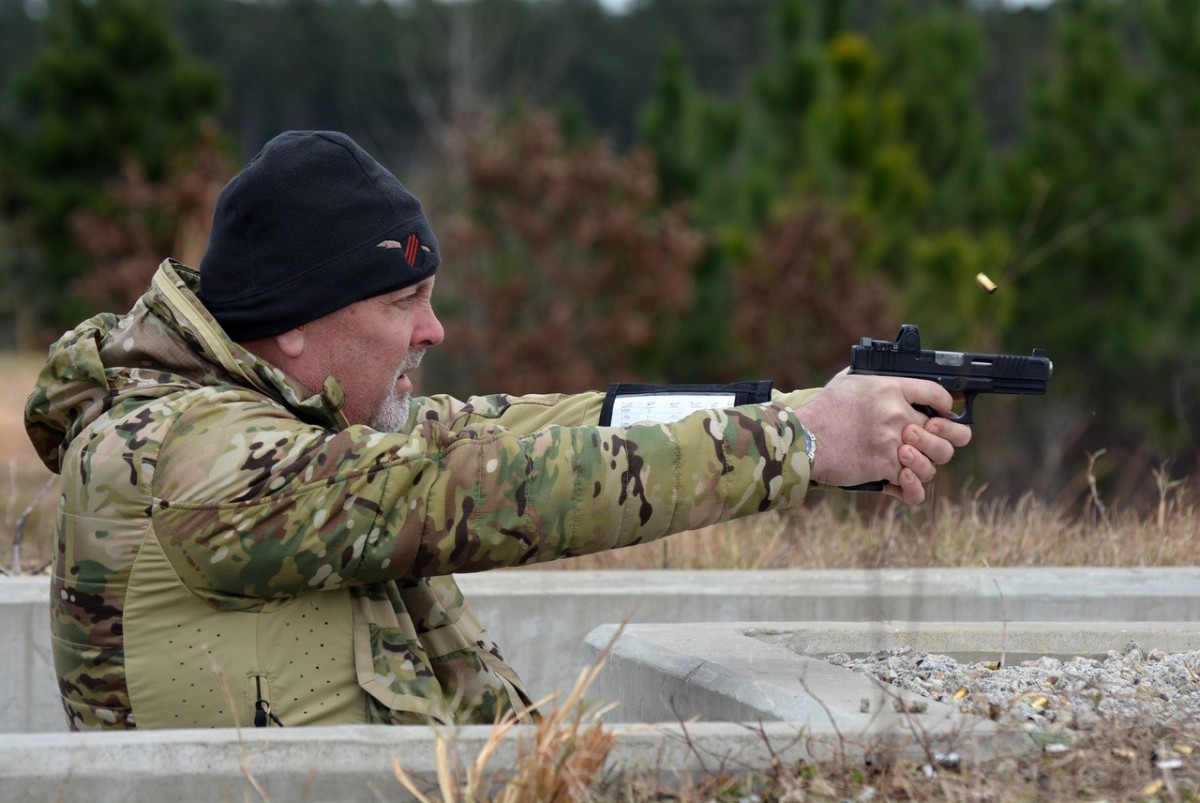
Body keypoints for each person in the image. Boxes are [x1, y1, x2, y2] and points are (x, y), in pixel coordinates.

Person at [24, 130, 971, 731]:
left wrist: (808, 410)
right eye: (405, 303)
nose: (434, 332)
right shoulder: (185, 455)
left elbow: (515, 430)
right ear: (296, 322)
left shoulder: (283, 425)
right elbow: (482, 490)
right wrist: (798, 446)